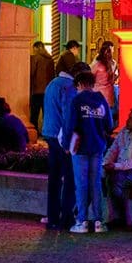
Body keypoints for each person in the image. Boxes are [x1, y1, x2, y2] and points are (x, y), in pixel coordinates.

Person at [67, 70, 113, 233]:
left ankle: (82, 221)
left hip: (80, 147)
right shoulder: (101, 100)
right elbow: (109, 125)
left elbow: (70, 124)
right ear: (93, 83)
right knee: (96, 183)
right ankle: (99, 221)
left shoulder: (77, 100)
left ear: (79, 84)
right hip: (98, 146)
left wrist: (66, 144)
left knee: (81, 184)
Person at [41, 62, 79, 231]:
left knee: (54, 178)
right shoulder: (69, 87)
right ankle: (66, 217)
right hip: (60, 136)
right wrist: (67, 142)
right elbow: (68, 115)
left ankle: (52, 216)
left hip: (49, 133)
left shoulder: (52, 84)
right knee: (70, 178)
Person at [29, 42, 57, 129]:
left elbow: (31, 73)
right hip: (48, 90)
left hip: (36, 90)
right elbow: (53, 75)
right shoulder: (50, 59)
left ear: (37, 48)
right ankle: (47, 132)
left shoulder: (36, 58)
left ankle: (34, 132)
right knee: (47, 114)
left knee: (34, 114)